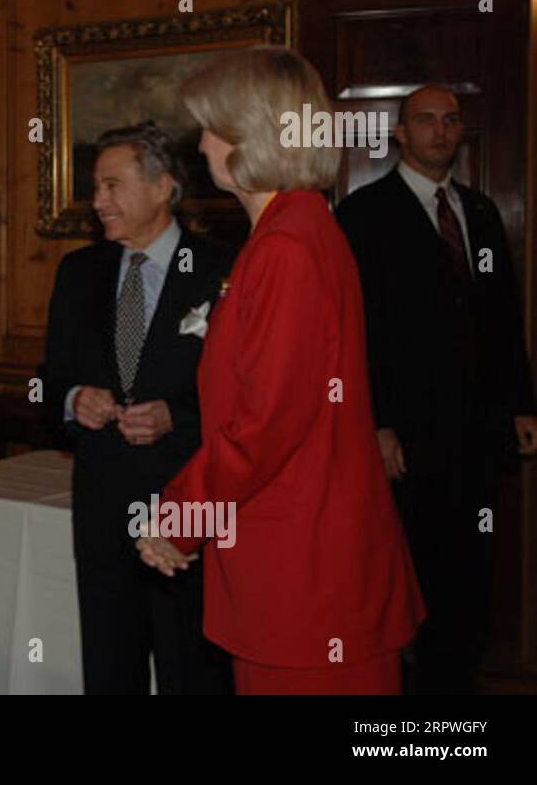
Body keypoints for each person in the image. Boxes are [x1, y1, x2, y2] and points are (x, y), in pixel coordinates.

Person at [136, 46, 424, 695]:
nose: (202, 144)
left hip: (305, 573)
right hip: (303, 558)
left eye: (212, 127)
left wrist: (179, 519)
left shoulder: (287, 248)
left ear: (251, 136)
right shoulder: (295, 231)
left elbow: (264, 424)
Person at [336, 85, 537, 693]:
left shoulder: (478, 212)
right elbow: (353, 331)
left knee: (470, 583)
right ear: (400, 133)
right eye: (425, 120)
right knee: (403, 585)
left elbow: (503, 316)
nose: (440, 131)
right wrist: (376, 422)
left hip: (476, 435)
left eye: (451, 120)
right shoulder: (364, 215)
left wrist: (522, 404)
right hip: (404, 440)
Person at [40, 122, 234, 694]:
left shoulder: (224, 270)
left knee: (193, 671)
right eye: (95, 187)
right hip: (103, 511)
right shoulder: (78, 274)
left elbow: (250, 399)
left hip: (191, 507)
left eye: (111, 186)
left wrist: (177, 415)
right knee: (109, 669)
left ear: (162, 187)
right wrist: (76, 400)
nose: (97, 201)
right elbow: (46, 387)